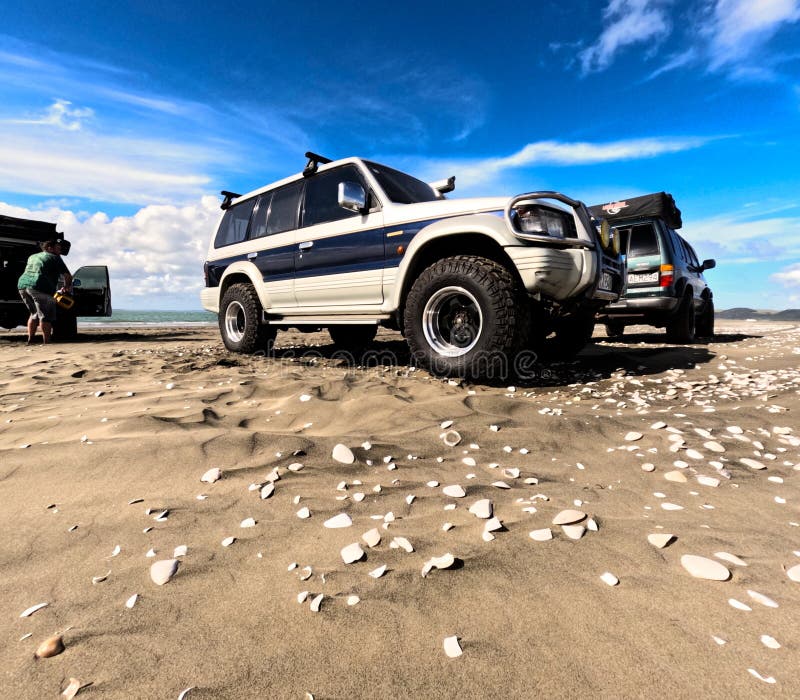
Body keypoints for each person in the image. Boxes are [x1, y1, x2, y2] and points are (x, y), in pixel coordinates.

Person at [17, 238, 73, 345]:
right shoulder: (54, 257)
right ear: (49, 248)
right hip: (40, 287)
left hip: (22, 286)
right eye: (58, 248)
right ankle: (47, 342)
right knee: (45, 316)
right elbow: (67, 276)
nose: (60, 251)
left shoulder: (32, 256)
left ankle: (30, 340)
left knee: (34, 314)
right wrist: (66, 287)